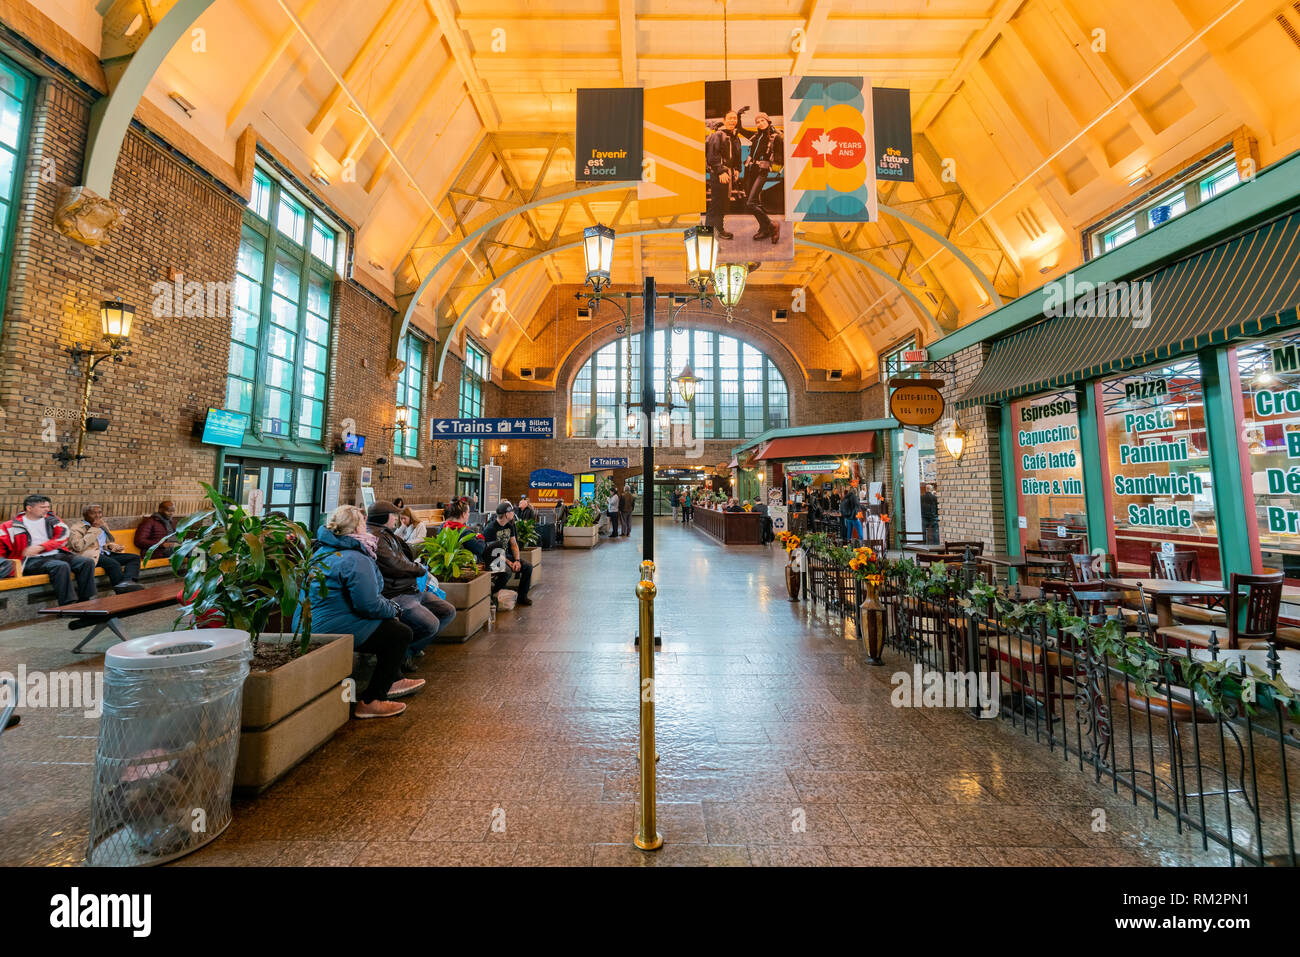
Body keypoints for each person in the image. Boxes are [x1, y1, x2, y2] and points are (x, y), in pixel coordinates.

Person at [298, 505, 424, 718]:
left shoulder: (322, 551)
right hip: (332, 625)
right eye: (363, 523)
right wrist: (393, 608)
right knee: (400, 634)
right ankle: (372, 700)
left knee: (391, 627)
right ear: (357, 527)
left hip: (310, 623)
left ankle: (394, 679)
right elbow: (369, 604)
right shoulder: (354, 558)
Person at [367, 501, 456, 674]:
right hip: (396, 594)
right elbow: (394, 564)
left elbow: (403, 556)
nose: (396, 519)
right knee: (431, 624)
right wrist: (419, 569)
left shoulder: (387, 533)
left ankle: (406, 651)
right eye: (394, 516)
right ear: (385, 518)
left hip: (410, 589)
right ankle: (401, 654)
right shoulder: (376, 537)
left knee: (447, 611)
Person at [0, 495, 97, 605]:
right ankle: (67, 605)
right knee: (60, 566)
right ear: (29, 508)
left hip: (56, 554)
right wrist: (6, 564)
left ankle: (85, 601)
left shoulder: (53, 520)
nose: (47, 509)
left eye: (48, 506)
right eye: (42, 507)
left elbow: (64, 535)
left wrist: (42, 547)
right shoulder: (10, 526)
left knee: (86, 562)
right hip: (30, 560)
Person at [67, 504, 143, 593]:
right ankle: (121, 591)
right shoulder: (76, 528)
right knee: (113, 564)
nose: (97, 516)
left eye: (99, 512)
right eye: (93, 513)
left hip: (105, 553)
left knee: (134, 558)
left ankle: (127, 582)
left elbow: (105, 542)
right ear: (85, 515)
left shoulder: (102, 525)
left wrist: (111, 546)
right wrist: (94, 529)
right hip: (90, 556)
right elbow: (78, 547)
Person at [737, 110, 783, 243]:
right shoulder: (756, 136)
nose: (760, 123)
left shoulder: (775, 137)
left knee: (751, 203)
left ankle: (772, 225)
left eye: (762, 120)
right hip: (750, 170)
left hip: (761, 172)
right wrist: (739, 116)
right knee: (754, 202)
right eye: (757, 121)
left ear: (768, 121)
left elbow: (781, 158)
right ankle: (764, 228)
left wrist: (773, 167)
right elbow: (740, 129)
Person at [482, 501, 533, 606]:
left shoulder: (510, 526)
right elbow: (495, 552)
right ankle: (492, 595)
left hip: (505, 556)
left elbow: (514, 544)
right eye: (512, 511)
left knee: (528, 567)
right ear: (506, 514)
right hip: (493, 558)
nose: (513, 513)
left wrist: (517, 560)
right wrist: (510, 563)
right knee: (507, 571)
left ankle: (522, 597)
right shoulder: (490, 529)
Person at [705, 108, 744, 240]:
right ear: (724, 121)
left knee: (722, 203)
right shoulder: (719, 135)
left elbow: (737, 156)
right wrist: (720, 171)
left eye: (735, 118)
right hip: (719, 174)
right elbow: (712, 155)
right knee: (716, 203)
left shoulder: (734, 137)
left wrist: (737, 169)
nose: (733, 120)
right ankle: (707, 234)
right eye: (730, 118)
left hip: (728, 173)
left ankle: (719, 230)